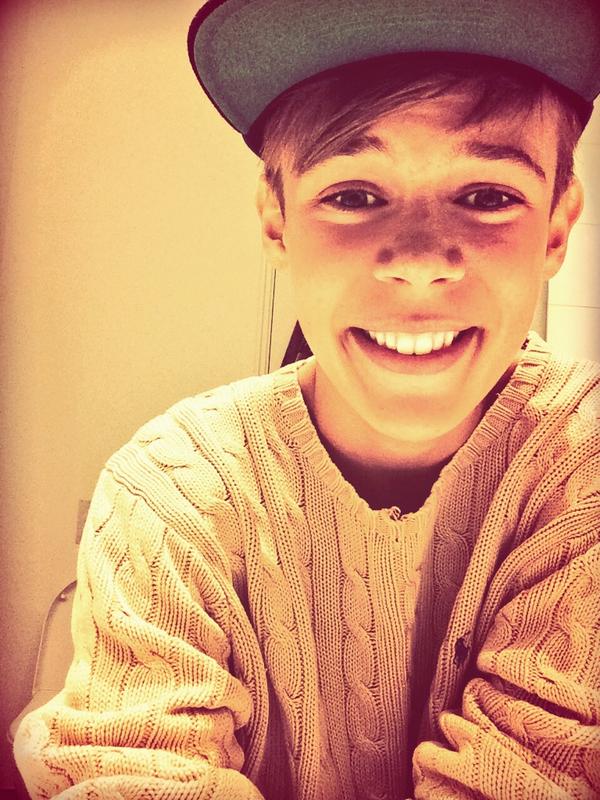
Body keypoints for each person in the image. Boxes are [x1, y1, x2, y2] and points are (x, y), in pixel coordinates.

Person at [14, 1, 600, 798]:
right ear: (276, 222)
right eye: (354, 195)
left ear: (558, 229)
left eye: (488, 195)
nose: (419, 262)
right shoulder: (170, 494)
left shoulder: (582, 467)